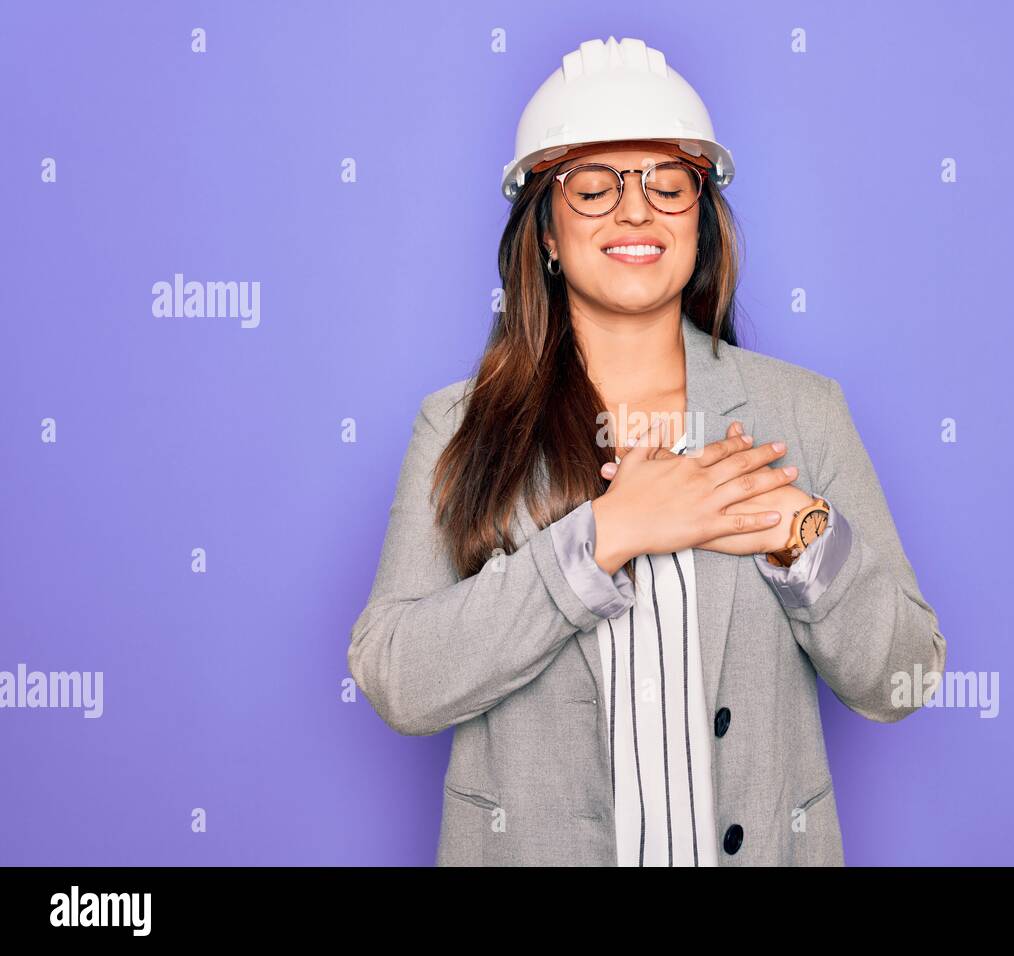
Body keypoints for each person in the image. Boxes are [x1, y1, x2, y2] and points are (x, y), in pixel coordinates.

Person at [348, 35, 946, 866]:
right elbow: (397, 676)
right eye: (594, 187)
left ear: (702, 218)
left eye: (669, 185)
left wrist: (800, 530)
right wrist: (601, 538)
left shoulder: (802, 411)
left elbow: (903, 678)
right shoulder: (457, 425)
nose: (636, 212)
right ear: (546, 234)